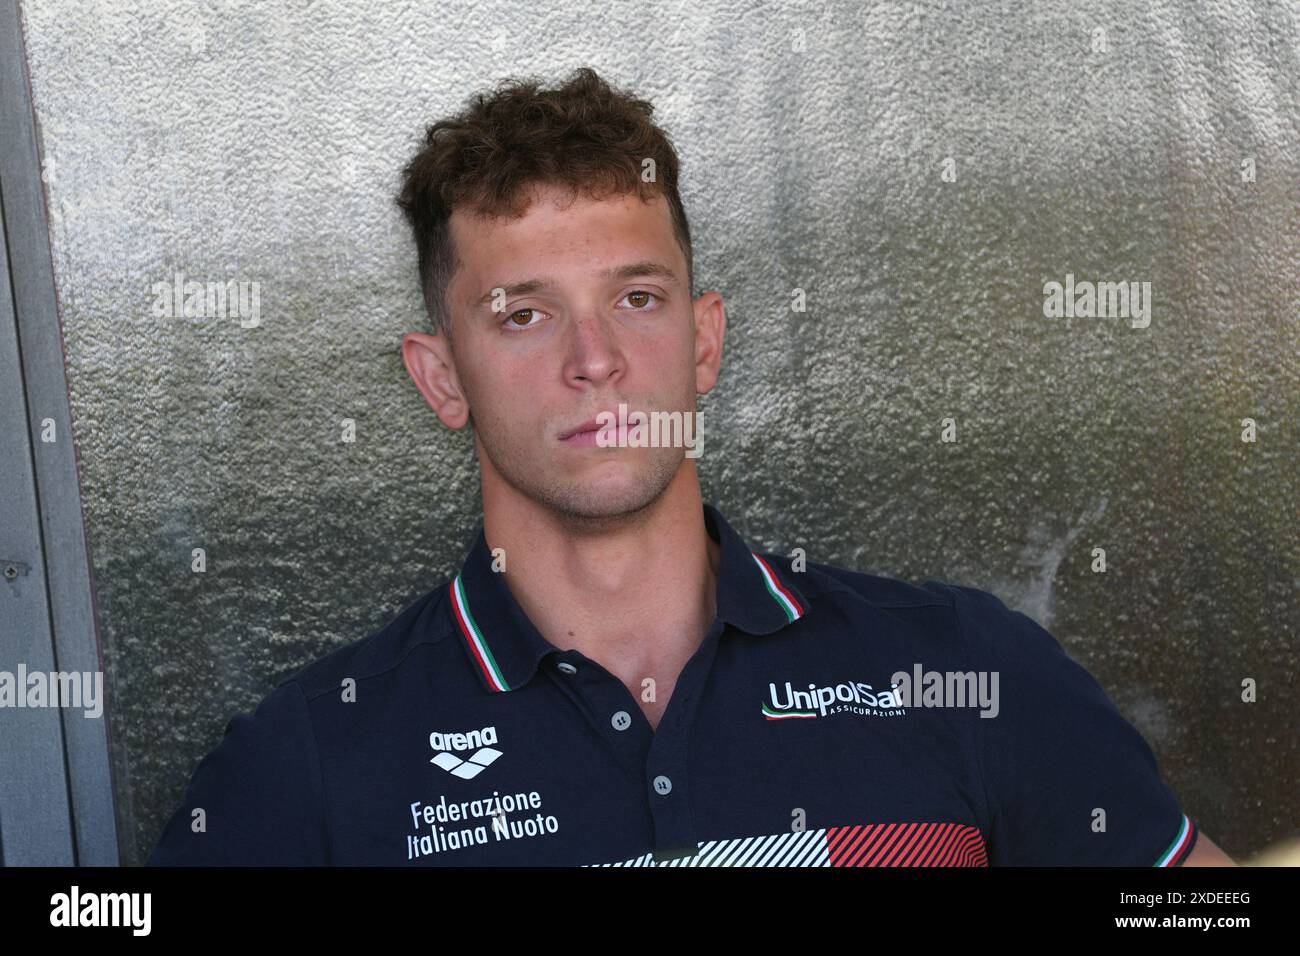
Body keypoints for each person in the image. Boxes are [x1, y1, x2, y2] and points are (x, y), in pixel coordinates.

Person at [148, 66, 1234, 867]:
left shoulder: (960, 669)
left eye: (636, 297)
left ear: (703, 340)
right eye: (522, 314)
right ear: (441, 379)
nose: (595, 361)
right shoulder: (320, 752)